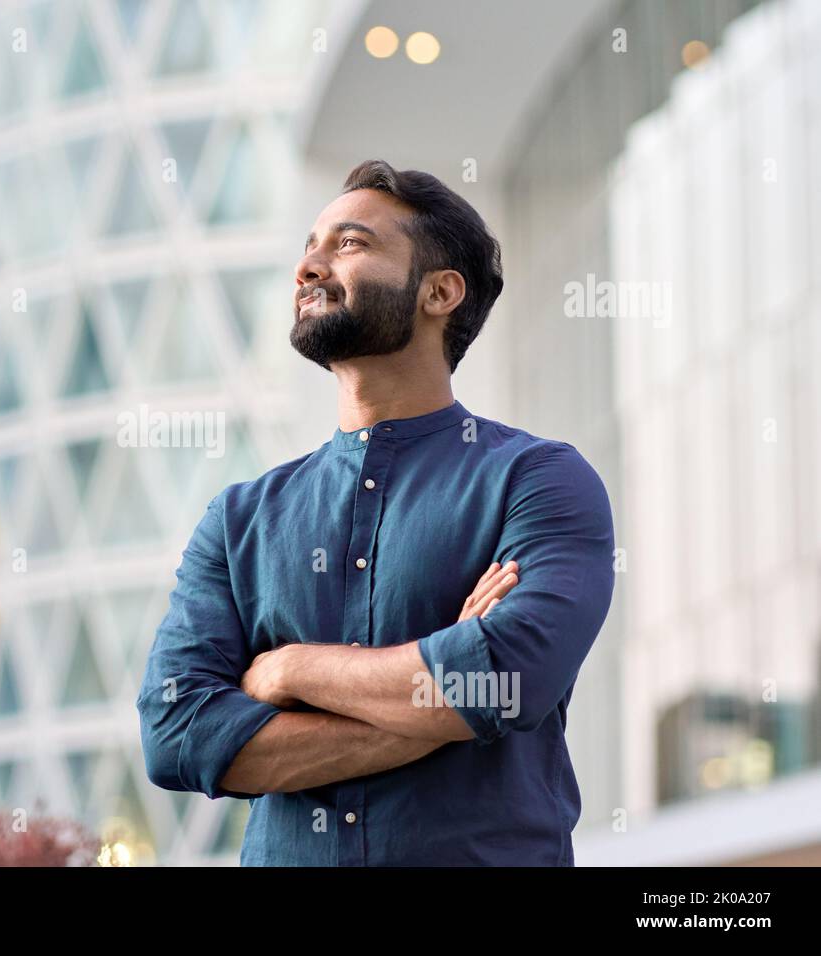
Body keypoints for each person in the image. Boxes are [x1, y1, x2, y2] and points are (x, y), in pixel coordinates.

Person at [136, 159, 616, 866]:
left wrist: (292, 671)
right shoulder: (238, 521)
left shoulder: (538, 480)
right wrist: (438, 702)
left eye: (350, 244)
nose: (309, 266)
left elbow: (511, 680)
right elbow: (177, 735)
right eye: (310, 246)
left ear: (440, 291)